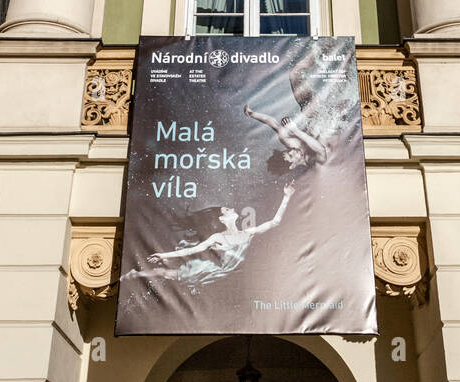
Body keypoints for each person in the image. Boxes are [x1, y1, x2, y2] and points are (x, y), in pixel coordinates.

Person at [125, 182, 294, 287]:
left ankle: (138, 274)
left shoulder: (247, 232)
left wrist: (286, 197)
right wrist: (163, 254)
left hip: (232, 278)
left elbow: (275, 222)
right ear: (221, 219)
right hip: (210, 272)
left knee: (168, 274)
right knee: (167, 273)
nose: (233, 209)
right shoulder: (217, 238)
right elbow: (190, 251)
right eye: (228, 210)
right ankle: (136, 274)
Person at [243, 103, 328, 169]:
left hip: (320, 121)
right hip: (333, 129)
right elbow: (322, 150)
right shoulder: (311, 161)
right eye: (291, 156)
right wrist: (295, 130)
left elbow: (272, 123)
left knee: (310, 114)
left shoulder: (289, 143)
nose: (292, 151)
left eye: (287, 151)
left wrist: (251, 114)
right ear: (293, 165)